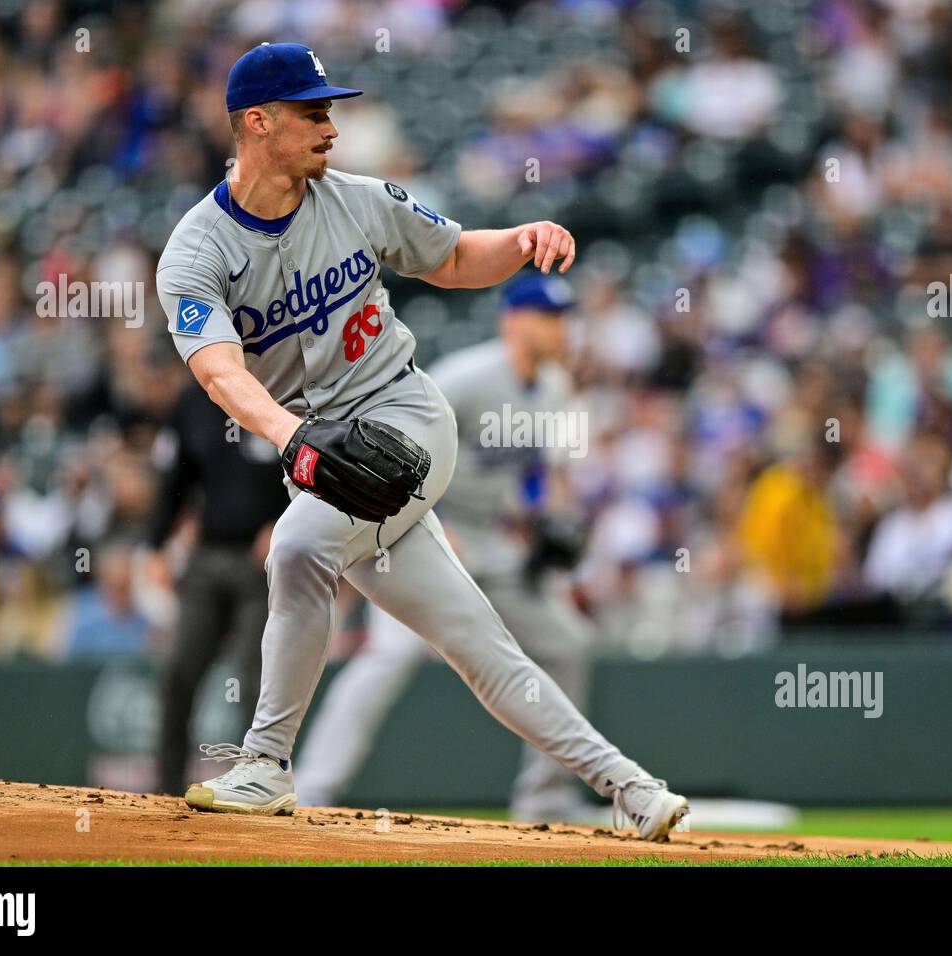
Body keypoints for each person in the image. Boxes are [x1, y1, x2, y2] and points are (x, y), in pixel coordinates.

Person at [154, 42, 688, 841]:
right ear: (256, 124)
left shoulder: (356, 199)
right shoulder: (197, 251)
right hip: (331, 463)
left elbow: (453, 257)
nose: (331, 124)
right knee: (481, 648)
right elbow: (220, 373)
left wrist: (521, 240)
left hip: (406, 418)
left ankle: (265, 764)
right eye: (312, 111)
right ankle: (634, 787)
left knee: (297, 548)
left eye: (331, 108)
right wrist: (296, 440)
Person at [294, 274, 599, 822]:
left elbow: (532, 474)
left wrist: (547, 520)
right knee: (389, 656)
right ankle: (315, 786)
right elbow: (398, 447)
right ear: (513, 319)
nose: (561, 328)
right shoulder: (464, 376)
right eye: (549, 317)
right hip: (422, 532)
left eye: (563, 317)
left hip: (492, 543)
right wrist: (427, 518)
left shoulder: (554, 388)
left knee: (566, 642)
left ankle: (545, 799)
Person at [149, 380, 291, 797]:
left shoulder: (278, 388)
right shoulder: (193, 401)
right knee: (178, 674)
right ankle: (165, 790)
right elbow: (176, 476)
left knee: (254, 679)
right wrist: (156, 544)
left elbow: (310, 465)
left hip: (262, 563)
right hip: (207, 557)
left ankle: (257, 783)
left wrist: (285, 523)